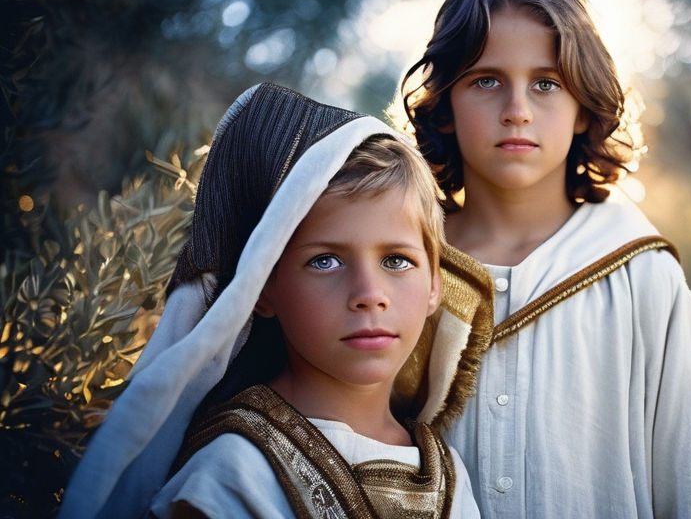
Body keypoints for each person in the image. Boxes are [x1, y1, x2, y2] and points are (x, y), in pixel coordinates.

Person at [399, 0, 691, 518]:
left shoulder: (639, 273)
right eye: (486, 80)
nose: (517, 109)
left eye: (547, 83)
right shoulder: (399, 264)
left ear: (583, 107)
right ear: (445, 106)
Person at [59, 83, 491, 519]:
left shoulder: (447, 474)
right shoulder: (232, 473)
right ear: (262, 288)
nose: (369, 295)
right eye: (325, 261)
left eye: (397, 261)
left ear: (435, 283)